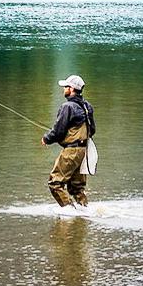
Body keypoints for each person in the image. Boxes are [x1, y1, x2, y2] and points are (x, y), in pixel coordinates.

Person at [41, 74, 96, 207]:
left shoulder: (67, 107)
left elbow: (58, 131)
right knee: (77, 188)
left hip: (72, 151)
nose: (63, 89)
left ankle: (69, 211)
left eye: (66, 86)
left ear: (71, 89)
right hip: (84, 151)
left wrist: (46, 139)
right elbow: (92, 130)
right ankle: (84, 212)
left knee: (55, 183)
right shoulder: (87, 106)